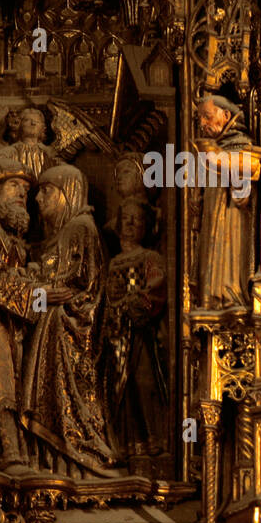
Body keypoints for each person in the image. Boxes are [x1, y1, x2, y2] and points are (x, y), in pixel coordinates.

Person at [19, 164, 120, 477]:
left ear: (68, 193)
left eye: (46, 191)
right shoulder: (68, 231)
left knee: (70, 401)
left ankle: (73, 458)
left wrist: (28, 295)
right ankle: (55, 461)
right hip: (60, 326)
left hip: (72, 331)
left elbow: (66, 287)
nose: (38, 200)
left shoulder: (79, 228)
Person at [98, 196, 169, 461]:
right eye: (125, 217)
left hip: (139, 334)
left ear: (146, 226)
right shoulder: (113, 262)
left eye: (137, 218)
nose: (130, 222)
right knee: (119, 389)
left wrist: (133, 303)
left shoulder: (150, 257)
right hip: (116, 336)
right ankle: (127, 443)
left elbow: (156, 289)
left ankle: (154, 438)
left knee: (142, 382)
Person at [0, 160, 38, 473]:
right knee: (1, 380)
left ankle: (17, 450)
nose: (21, 193)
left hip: (11, 322)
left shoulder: (19, 244)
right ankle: (9, 452)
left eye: (25, 189)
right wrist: (35, 294)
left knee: (17, 384)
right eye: (13, 186)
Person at [192, 94, 256, 309]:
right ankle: (209, 296)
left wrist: (223, 164)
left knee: (227, 257)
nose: (202, 124)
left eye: (207, 117)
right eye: (200, 118)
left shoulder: (242, 145)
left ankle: (231, 294)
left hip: (232, 217)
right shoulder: (211, 148)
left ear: (226, 115)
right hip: (212, 216)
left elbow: (244, 194)